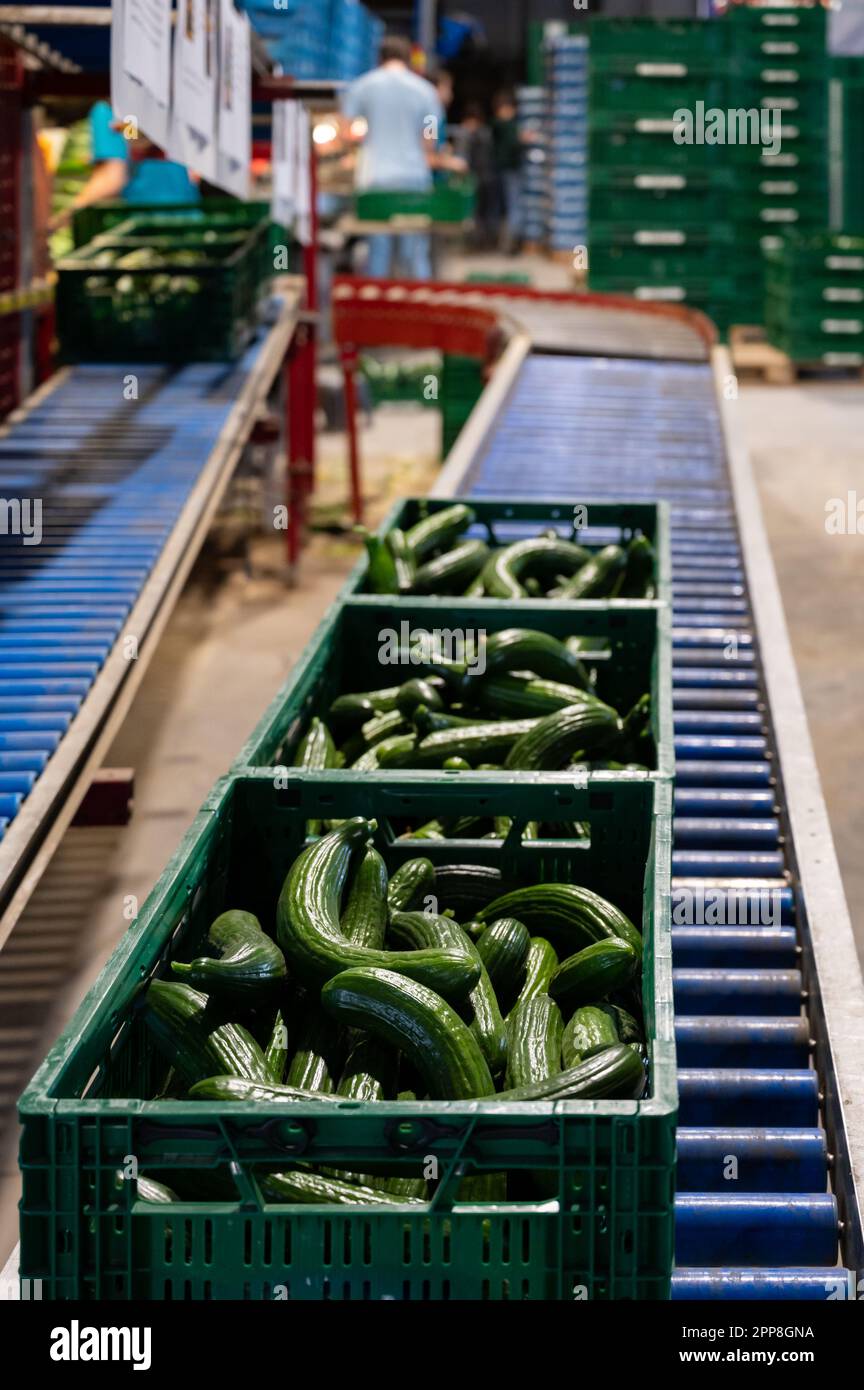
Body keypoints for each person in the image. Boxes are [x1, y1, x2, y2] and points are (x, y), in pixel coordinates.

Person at [342, 35, 443, 281]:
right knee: (414, 253)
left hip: (376, 179)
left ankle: (377, 312)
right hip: (414, 177)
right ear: (408, 59)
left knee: (377, 254)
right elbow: (429, 138)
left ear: (380, 58)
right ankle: (419, 309)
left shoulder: (363, 86)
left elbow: (347, 131)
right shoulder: (426, 91)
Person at [50, 101, 199, 231]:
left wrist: (59, 222)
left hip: (140, 230)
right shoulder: (166, 108)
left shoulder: (116, 111)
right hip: (186, 226)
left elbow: (112, 179)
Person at [491, 91, 523, 254]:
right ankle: (510, 245)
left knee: (503, 207)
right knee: (513, 207)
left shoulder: (496, 126)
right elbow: (514, 143)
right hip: (510, 170)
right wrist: (522, 139)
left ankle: (501, 243)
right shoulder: (506, 126)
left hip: (500, 171)